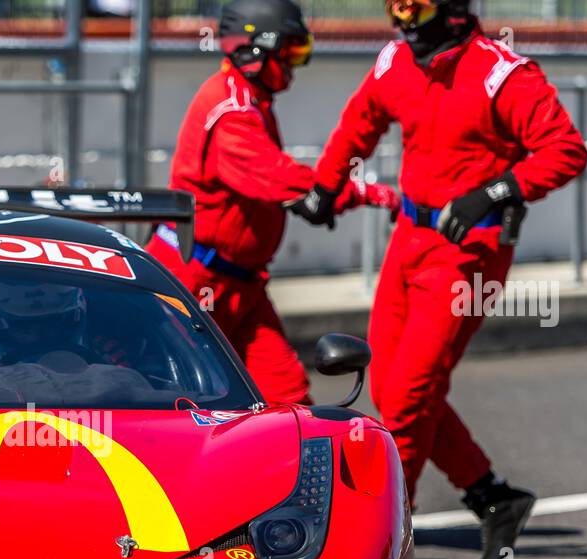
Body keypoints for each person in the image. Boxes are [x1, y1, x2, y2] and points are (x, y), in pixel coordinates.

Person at [295, 0, 587, 559]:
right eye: (394, 2)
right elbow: (360, 123)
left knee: (407, 399)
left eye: (416, 2)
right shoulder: (396, 60)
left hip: (468, 255)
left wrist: (496, 190)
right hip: (409, 240)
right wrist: (325, 187)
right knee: (390, 385)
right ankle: (492, 499)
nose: (403, 16)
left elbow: (565, 150)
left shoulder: (503, 73)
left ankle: (379, 547)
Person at [146, 0, 399, 406]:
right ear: (258, 48)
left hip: (242, 287)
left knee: (288, 399)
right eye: (293, 50)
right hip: (196, 283)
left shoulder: (251, 100)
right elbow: (280, 177)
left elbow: (288, 186)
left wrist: (327, 197)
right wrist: (361, 194)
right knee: (178, 403)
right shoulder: (231, 110)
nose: (296, 64)